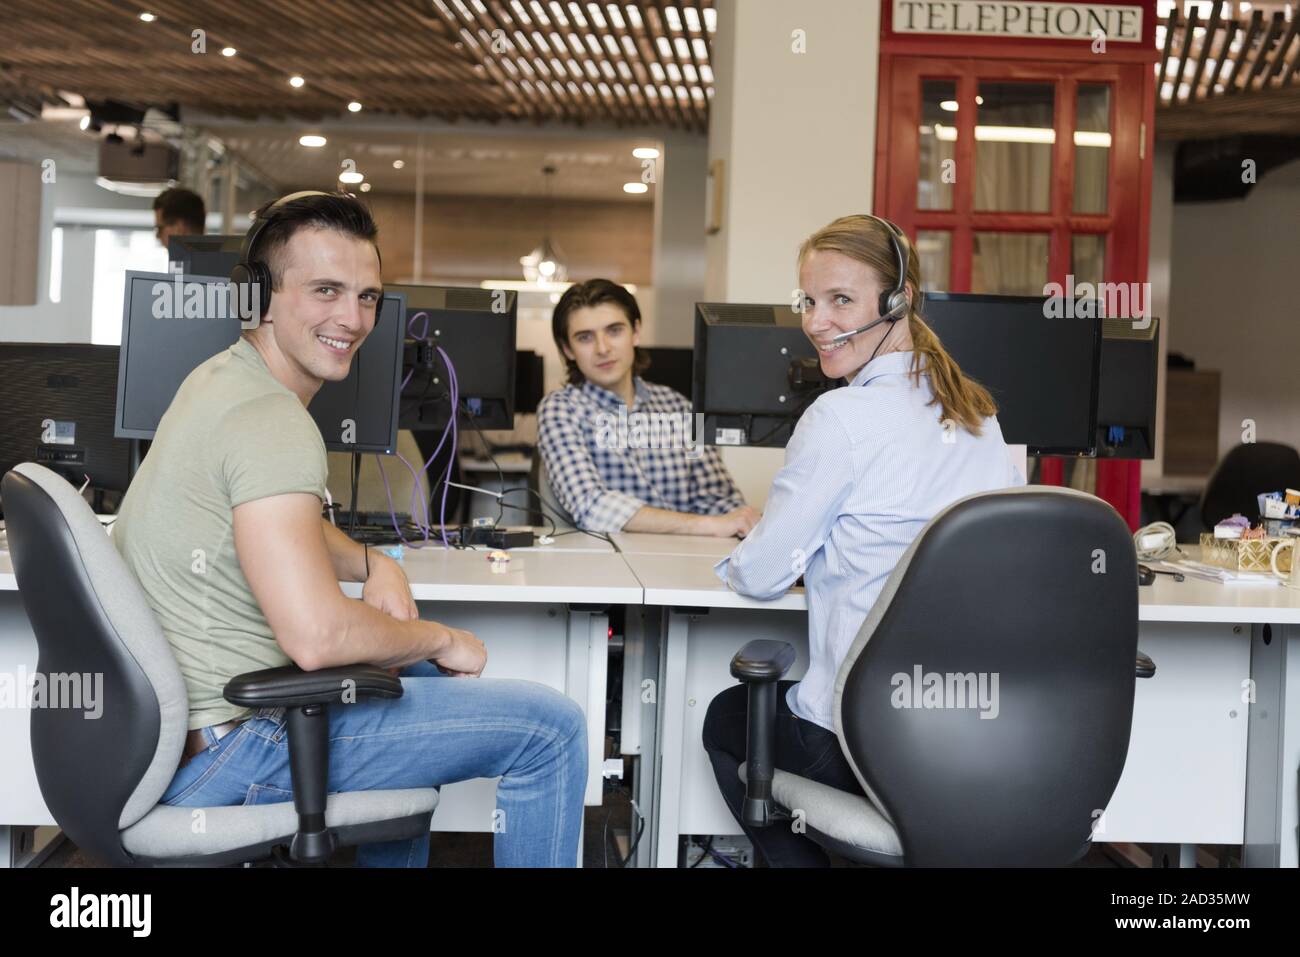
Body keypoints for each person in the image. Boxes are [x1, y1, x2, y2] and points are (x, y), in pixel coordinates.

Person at [113, 191, 587, 867]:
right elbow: (316, 636)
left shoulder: (219, 381)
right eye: (326, 290)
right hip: (242, 747)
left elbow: (277, 522)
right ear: (261, 299)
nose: (353, 318)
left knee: (410, 669)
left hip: (184, 737)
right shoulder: (274, 423)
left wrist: (369, 562)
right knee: (553, 727)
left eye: (367, 296)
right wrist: (446, 636)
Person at [702, 214, 1026, 867]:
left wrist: (764, 549)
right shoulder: (980, 416)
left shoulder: (839, 417)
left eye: (840, 300)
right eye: (809, 301)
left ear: (898, 302)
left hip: (857, 741)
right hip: (968, 735)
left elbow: (761, 575)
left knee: (725, 717)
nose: (817, 322)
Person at [537, 278, 758, 536]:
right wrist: (705, 525)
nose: (603, 348)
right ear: (568, 350)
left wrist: (742, 521)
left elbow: (718, 499)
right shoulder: (561, 409)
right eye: (585, 338)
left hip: (685, 563)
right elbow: (591, 506)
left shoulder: (680, 407)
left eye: (614, 330)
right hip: (607, 565)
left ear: (636, 332)